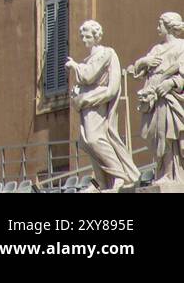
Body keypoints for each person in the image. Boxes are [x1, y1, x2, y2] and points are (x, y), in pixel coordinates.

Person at [65, 21, 138, 191]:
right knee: (86, 142)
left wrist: (75, 66)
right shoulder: (86, 59)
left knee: (95, 139)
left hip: (97, 103)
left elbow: (89, 76)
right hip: (86, 105)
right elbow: (84, 81)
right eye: (82, 36)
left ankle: (120, 176)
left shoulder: (106, 53)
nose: (84, 39)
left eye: (88, 36)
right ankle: (101, 182)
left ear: (96, 36)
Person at [127, 12, 184, 186]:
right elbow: (136, 71)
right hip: (153, 98)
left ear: (169, 27)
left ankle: (171, 173)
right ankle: (162, 172)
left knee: (168, 134)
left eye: (160, 24)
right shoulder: (156, 49)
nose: (157, 28)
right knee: (157, 137)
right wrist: (145, 61)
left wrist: (171, 83)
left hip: (169, 97)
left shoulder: (182, 46)